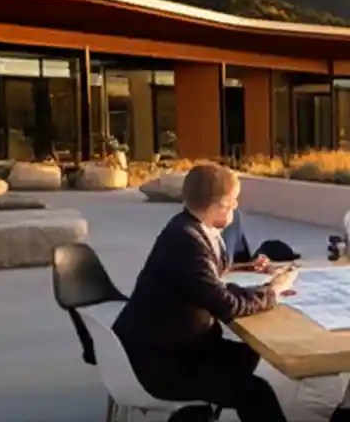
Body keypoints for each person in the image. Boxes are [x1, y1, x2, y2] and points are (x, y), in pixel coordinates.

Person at [113, 164, 297, 422]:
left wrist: (258, 290)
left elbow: (209, 286)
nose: (236, 207)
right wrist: (272, 291)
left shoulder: (188, 227)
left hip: (174, 344)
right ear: (221, 205)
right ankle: (196, 409)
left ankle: (199, 412)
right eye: (234, 201)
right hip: (159, 362)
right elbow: (227, 305)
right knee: (255, 392)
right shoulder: (186, 241)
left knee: (248, 353)